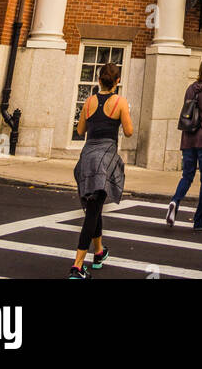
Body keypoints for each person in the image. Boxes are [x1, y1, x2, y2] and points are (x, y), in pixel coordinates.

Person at [69, 62, 133, 279]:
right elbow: (129, 131)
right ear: (117, 82)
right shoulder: (120, 102)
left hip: (86, 158)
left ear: (98, 80)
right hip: (104, 160)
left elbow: (80, 130)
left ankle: (98, 252)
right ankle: (77, 266)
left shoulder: (89, 101)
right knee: (93, 212)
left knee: (94, 207)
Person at [166, 58, 202, 230]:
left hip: (188, 138)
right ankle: (200, 221)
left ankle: (175, 201)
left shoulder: (190, 88)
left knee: (187, 175)